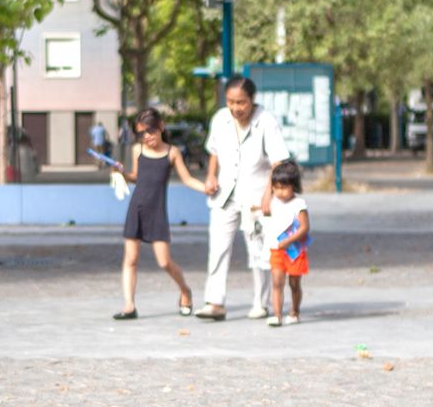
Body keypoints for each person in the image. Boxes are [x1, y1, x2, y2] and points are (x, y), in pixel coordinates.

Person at [195, 76, 289, 321]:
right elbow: (214, 151)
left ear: (252, 100)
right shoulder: (220, 119)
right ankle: (215, 302)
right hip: (225, 194)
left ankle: (261, 303)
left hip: (256, 195)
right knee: (218, 247)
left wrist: (269, 194)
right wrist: (210, 176)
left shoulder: (266, 122)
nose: (235, 108)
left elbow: (278, 162)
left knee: (257, 249)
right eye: (230, 102)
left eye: (241, 102)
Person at [110, 108, 202, 320]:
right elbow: (136, 177)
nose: (146, 137)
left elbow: (187, 179)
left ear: (161, 126)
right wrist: (122, 173)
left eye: (150, 131)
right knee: (130, 259)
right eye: (141, 133)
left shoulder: (172, 152)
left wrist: (206, 188)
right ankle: (129, 306)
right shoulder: (137, 150)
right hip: (136, 209)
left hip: (157, 212)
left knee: (164, 262)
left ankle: (185, 290)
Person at [261, 160, 310, 327]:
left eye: (283, 188)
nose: (279, 192)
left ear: (293, 186)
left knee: (294, 283)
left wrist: (289, 241)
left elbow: (304, 227)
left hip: (294, 250)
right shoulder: (272, 202)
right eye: (276, 188)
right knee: (277, 282)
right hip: (276, 250)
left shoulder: (299, 204)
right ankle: (277, 315)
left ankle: (294, 312)